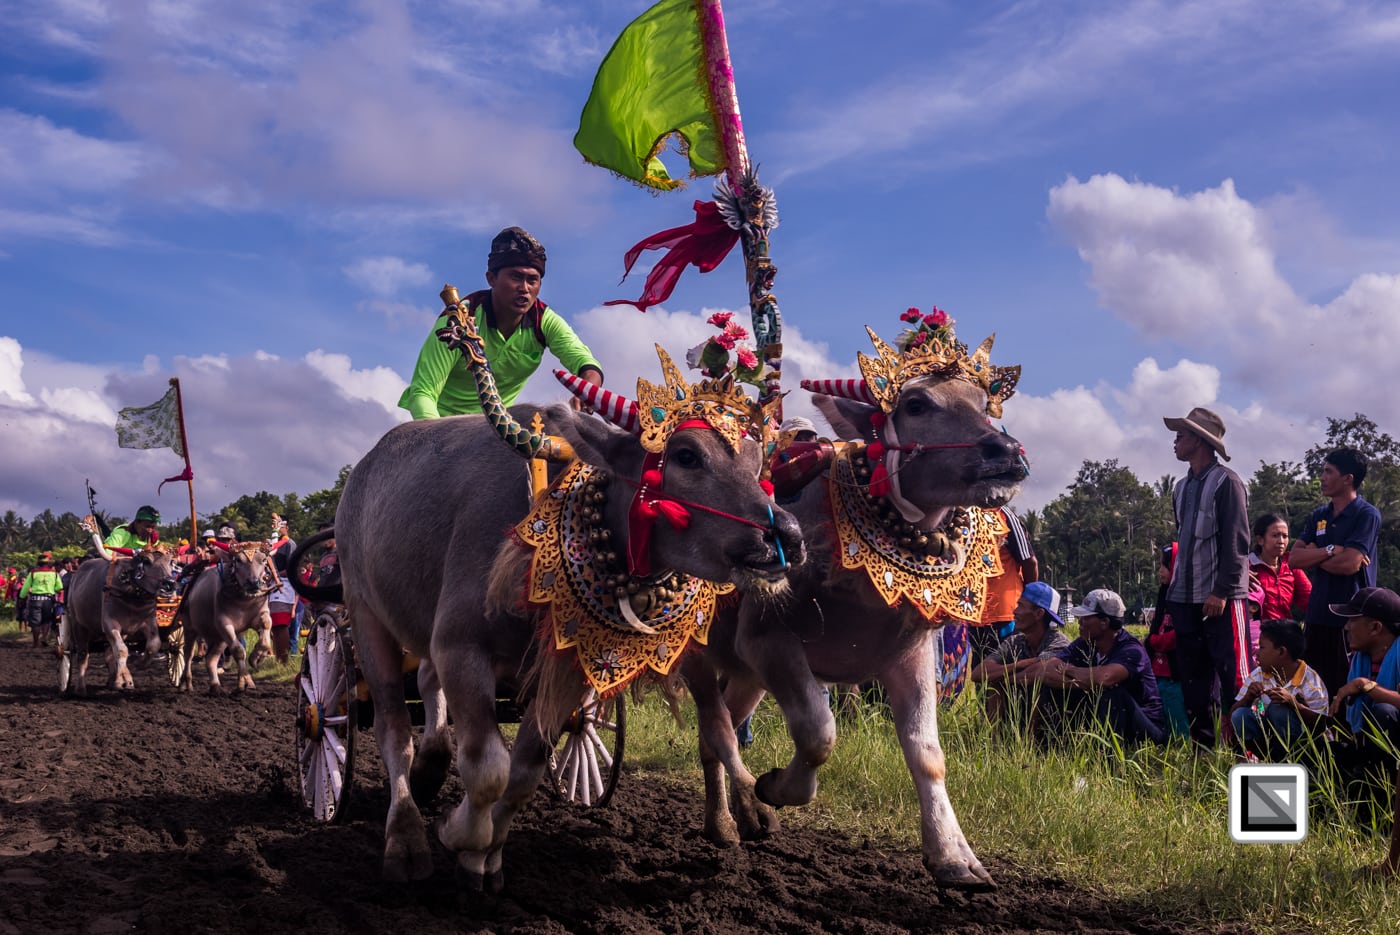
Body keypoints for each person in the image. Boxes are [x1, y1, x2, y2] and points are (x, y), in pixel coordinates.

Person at [398, 226, 604, 419]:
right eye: (516, 277)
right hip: (439, 425)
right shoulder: (458, 320)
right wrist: (439, 446)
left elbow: (586, 364)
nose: (524, 288)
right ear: (491, 279)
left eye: (532, 280)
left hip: (493, 431)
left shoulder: (544, 321)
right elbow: (423, 391)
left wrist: (587, 392)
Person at [1162, 407, 1251, 748]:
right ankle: (1204, 751)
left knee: (1235, 678)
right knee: (1195, 683)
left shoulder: (1227, 483)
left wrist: (1222, 591)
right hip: (1185, 598)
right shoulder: (1181, 488)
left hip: (1220, 599)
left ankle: (1247, 750)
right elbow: (1183, 541)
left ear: (1198, 440)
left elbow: (1236, 543)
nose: (1175, 442)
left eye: (1180, 436)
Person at [1289, 449, 1382, 698]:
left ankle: (1346, 737)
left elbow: (1349, 565)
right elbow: (1294, 559)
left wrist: (1315, 555)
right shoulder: (1319, 515)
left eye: (1328, 471)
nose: (1322, 477)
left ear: (1347, 478)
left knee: (1346, 689)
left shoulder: (1366, 514)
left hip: (1349, 618)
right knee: (1313, 690)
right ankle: (1316, 737)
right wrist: (1331, 550)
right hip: (1317, 615)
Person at [1022, 588, 1166, 745]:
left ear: (1104, 622)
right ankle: (1053, 745)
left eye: (1085, 618)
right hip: (1104, 717)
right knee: (1052, 686)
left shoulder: (1132, 649)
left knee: (1112, 693)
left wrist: (1070, 670)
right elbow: (1047, 669)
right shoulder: (1085, 643)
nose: (1080, 623)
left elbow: (1105, 678)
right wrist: (1077, 683)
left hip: (1145, 730)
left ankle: (1109, 756)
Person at [970, 581, 1071, 725]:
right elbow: (978, 673)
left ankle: (1032, 745)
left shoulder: (1058, 643)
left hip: (1051, 721)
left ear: (1039, 614)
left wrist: (1005, 678)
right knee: (995, 685)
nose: (1015, 611)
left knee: (1040, 685)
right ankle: (995, 742)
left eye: (1021, 606)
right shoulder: (1014, 641)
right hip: (1018, 713)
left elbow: (1040, 672)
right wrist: (1020, 664)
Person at [1228, 620, 1328, 762]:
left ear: (1281, 651)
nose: (1257, 652)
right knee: (1240, 715)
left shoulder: (1310, 681)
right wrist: (1247, 699)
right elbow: (1233, 716)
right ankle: (1270, 761)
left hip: (1305, 747)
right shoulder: (1258, 675)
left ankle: (1295, 764)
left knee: (1279, 710)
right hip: (1270, 740)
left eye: (1262, 647)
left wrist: (1293, 704)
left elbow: (1321, 725)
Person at [970, 507, 1039, 666]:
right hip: (992, 613)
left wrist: (1029, 601)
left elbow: (1028, 562)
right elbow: (1030, 561)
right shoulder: (1001, 514)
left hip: (999, 613)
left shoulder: (966, 515)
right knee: (1003, 674)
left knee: (988, 674)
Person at [19, 551, 63, 648]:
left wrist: (21, 598)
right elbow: (59, 587)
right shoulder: (54, 573)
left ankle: (35, 643)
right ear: (48, 563)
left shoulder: (33, 573)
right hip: (48, 600)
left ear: (38, 563)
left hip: (35, 599)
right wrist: (50, 588)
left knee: (35, 622)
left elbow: (25, 588)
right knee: (46, 620)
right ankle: (44, 637)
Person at [85, 505, 161, 557]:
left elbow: (159, 551)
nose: (150, 530)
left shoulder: (153, 537)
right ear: (137, 522)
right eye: (147, 526)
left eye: (153, 527)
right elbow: (108, 555)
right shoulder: (122, 533)